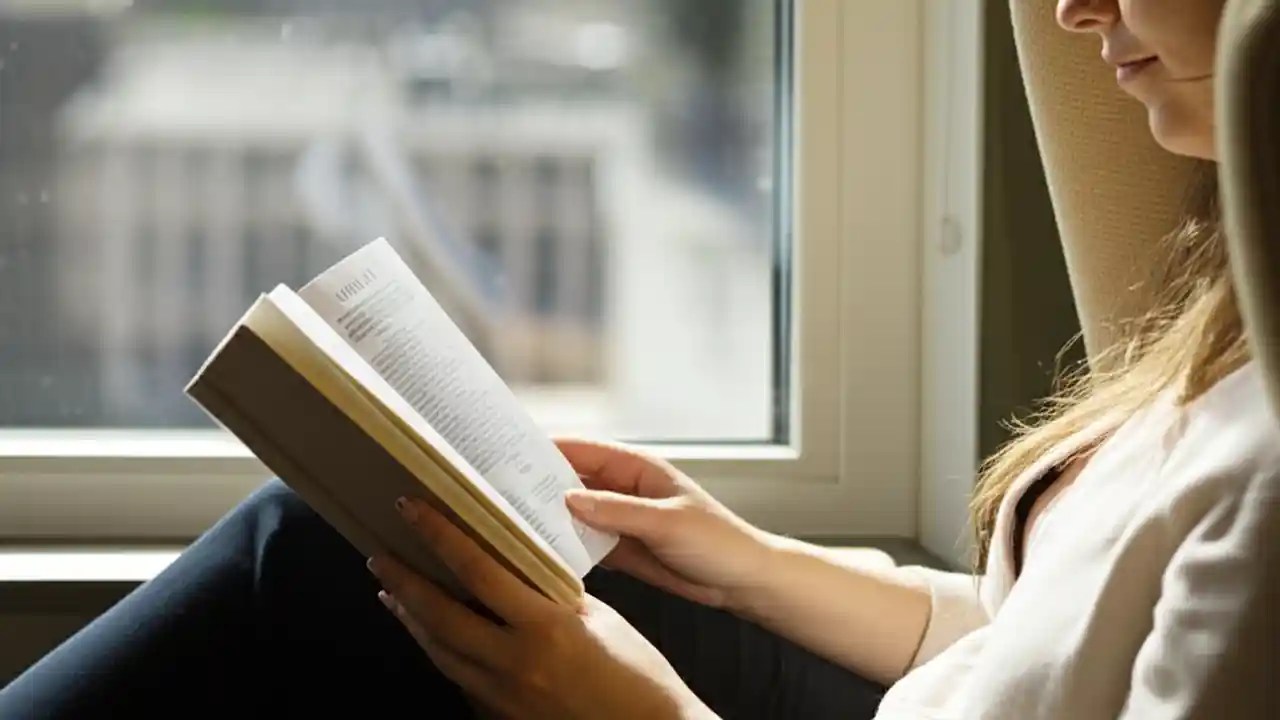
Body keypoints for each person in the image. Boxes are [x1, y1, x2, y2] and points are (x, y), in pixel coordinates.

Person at [3, 0, 1278, 717]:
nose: (1071, 10)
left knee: (333, 575)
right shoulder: (1234, 316)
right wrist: (749, 564)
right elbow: (1033, 634)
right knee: (350, 537)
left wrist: (639, 716)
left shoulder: (1266, 488)